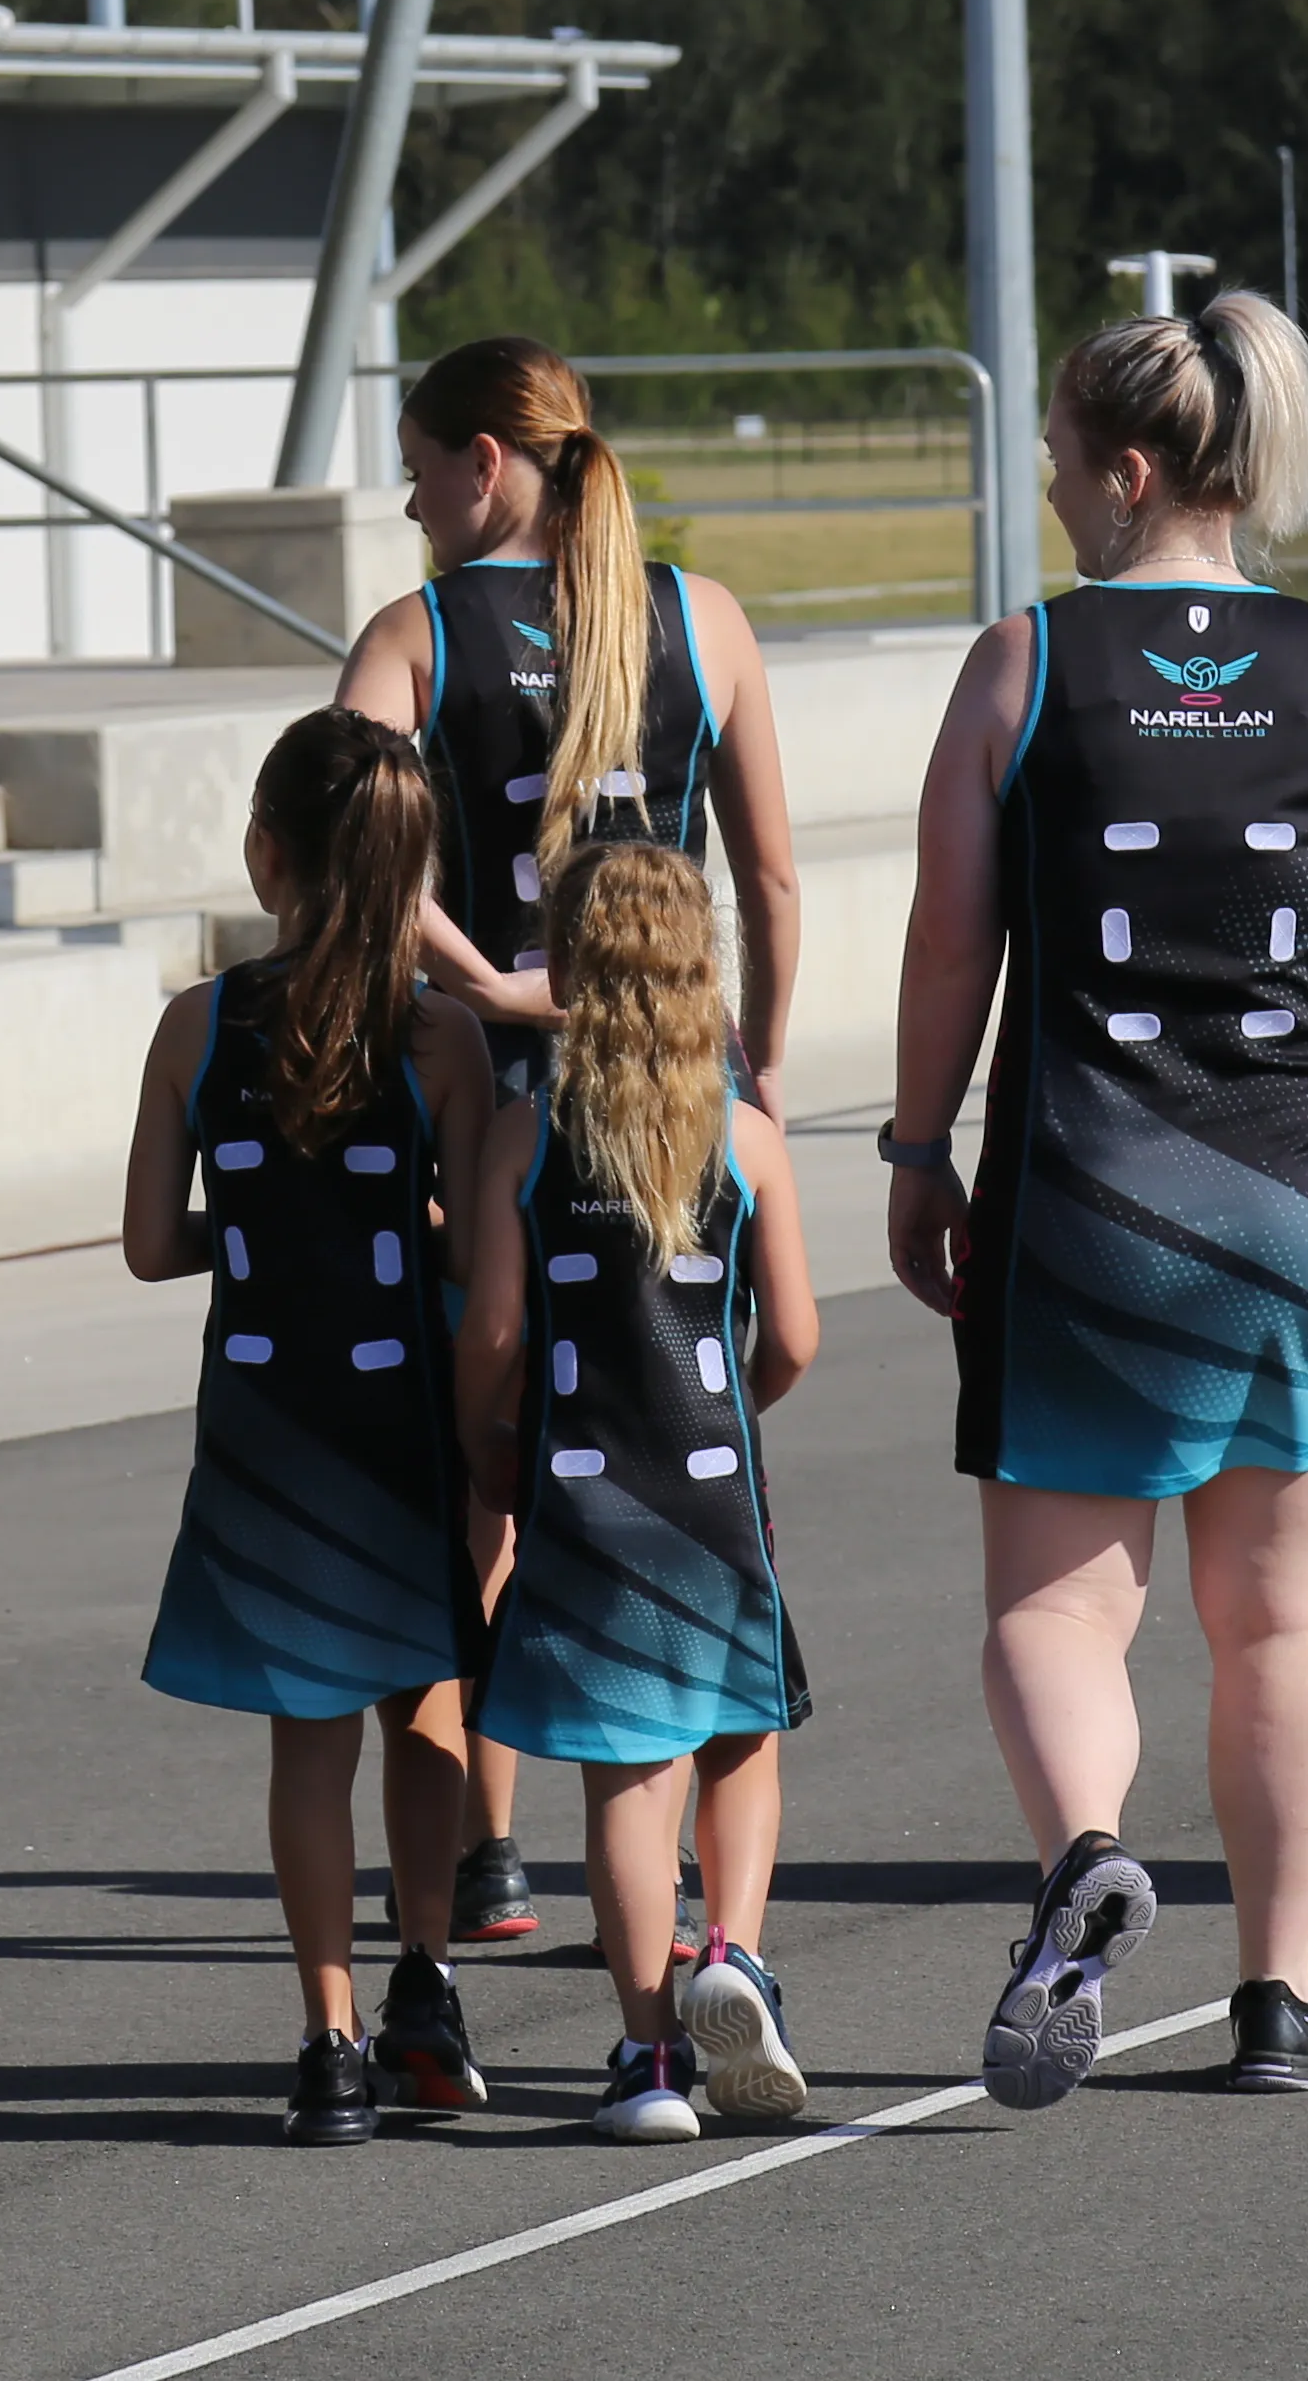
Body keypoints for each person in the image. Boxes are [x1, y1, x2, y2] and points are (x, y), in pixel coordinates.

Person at [885, 292, 1308, 2107]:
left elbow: (950, 946)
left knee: (1060, 1611)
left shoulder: (1027, 663)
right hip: (1304, 1192)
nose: (1057, 494)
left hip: (1089, 1189)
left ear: (1132, 465)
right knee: (1283, 1623)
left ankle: (1089, 1858)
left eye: (1064, 463)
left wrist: (921, 1154)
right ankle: (1276, 1995)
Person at [336, 336, 807, 1949]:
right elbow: (773, 879)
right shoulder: (708, 615)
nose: (407, 499)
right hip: (677, 1089)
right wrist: (758, 1075)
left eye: (416, 464)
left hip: (493, 1097)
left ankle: (490, 1844)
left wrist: (484, 983)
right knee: (681, 1426)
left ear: (486, 462)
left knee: (494, 1452)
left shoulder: (416, 635)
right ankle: (688, 1875)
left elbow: (347, 852)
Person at [122, 708, 504, 2145]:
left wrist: (272, 1230)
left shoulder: (196, 1024)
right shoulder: (443, 1040)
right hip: (401, 1419)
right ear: (416, 868)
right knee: (429, 1702)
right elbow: (472, 1260)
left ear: (264, 852)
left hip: (269, 1419)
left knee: (305, 1741)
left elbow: (154, 1244)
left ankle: (326, 2038)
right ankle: (426, 1978)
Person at [453, 843, 821, 2142]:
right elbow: (795, 1339)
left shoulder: (529, 1132)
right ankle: (733, 1947)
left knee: (625, 1774)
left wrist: (486, 1441)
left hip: (580, 1485)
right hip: (714, 1486)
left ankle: (649, 2057)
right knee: (741, 1735)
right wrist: (735, 1419)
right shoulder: (749, 1138)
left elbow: (495, 1330)